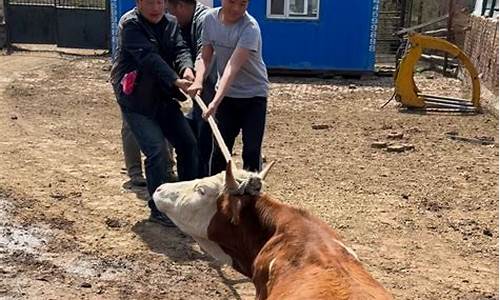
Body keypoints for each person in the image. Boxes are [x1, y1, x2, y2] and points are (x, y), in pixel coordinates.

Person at [111, 0, 199, 227]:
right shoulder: (130, 26)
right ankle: (158, 209)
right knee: (157, 151)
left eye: (160, 2)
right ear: (139, 2)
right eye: (149, 2)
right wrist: (175, 79)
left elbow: (181, 49)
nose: (156, 7)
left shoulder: (170, 22)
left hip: (163, 98)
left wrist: (187, 68)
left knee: (188, 144)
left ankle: (185, 202)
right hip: (136, 101)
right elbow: (150, 59)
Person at [188, 0, 269, 175]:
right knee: (220, 150)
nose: (236, 9)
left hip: (253, 95)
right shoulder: (210, 19)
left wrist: (215, 101)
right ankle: (219, 195)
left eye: (243, 4)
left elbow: (232, 67)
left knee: (252, 150)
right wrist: (198, 80)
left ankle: (251, 196)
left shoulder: (250, 28)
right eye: (232, 2)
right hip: (227, 97)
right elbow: (205, 56)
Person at [166, 0, 217, 178]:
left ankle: (204, 179)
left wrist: (193, 77)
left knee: (205, 135)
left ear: (180, 6)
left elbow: (206, 56)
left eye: (169, 10)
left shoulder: (204, 21)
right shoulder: (184, 23)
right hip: (198, 90)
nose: (168, 16)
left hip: (209, 88)